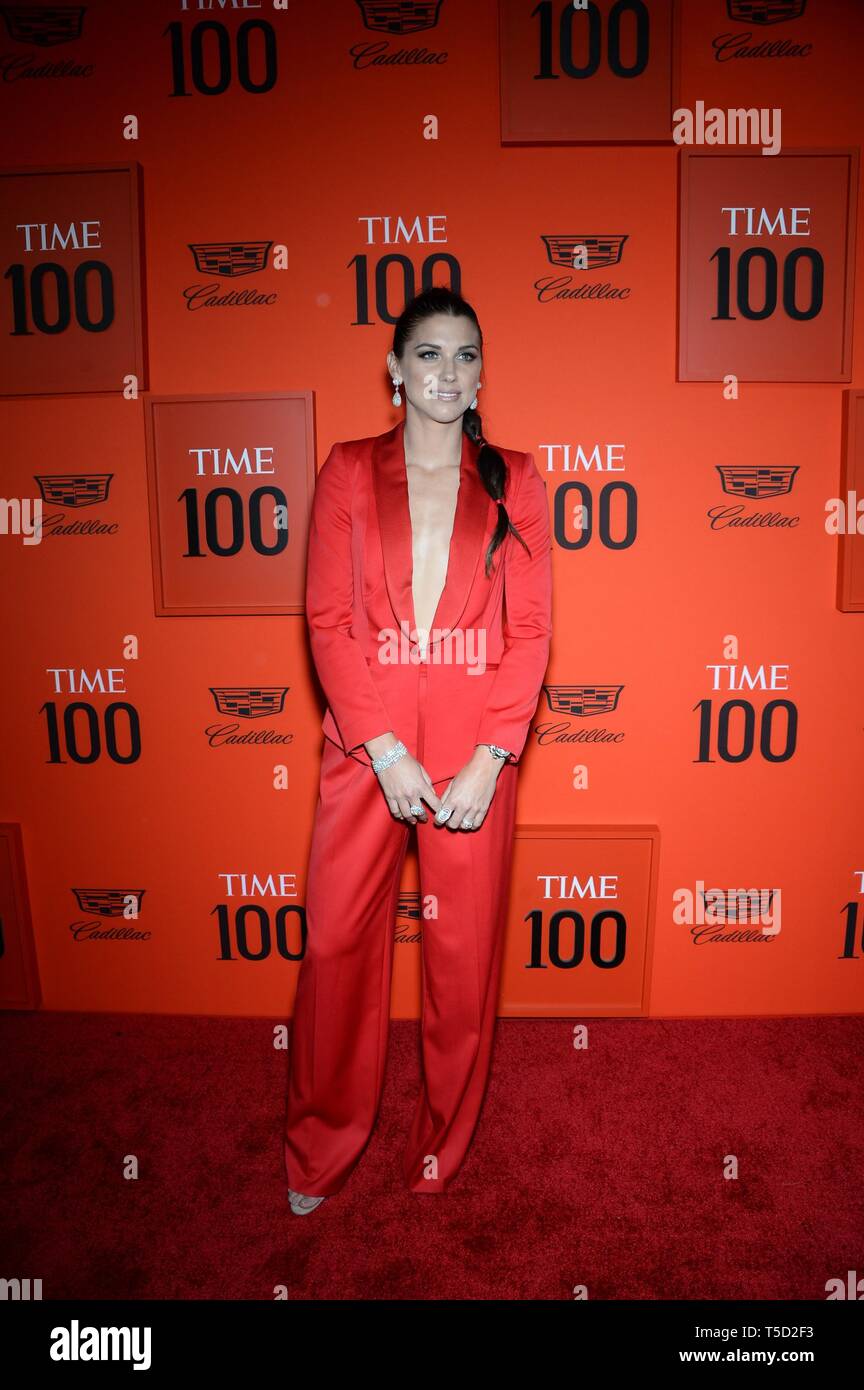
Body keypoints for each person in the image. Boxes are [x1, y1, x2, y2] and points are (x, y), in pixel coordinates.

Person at [284, 286, 553, 1214]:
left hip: (474, 762)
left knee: (463, 961)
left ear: (483, 372)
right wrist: (387, 749)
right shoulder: (351, 470)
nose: (450, 373)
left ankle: (443, 1144)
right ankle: (321, 1145)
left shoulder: (514, 477)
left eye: (467, 355)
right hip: (368, 755)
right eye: (431, 355)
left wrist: (491, 755)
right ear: (396, 368)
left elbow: (531, 632)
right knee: (334, 953)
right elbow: (326, 619)